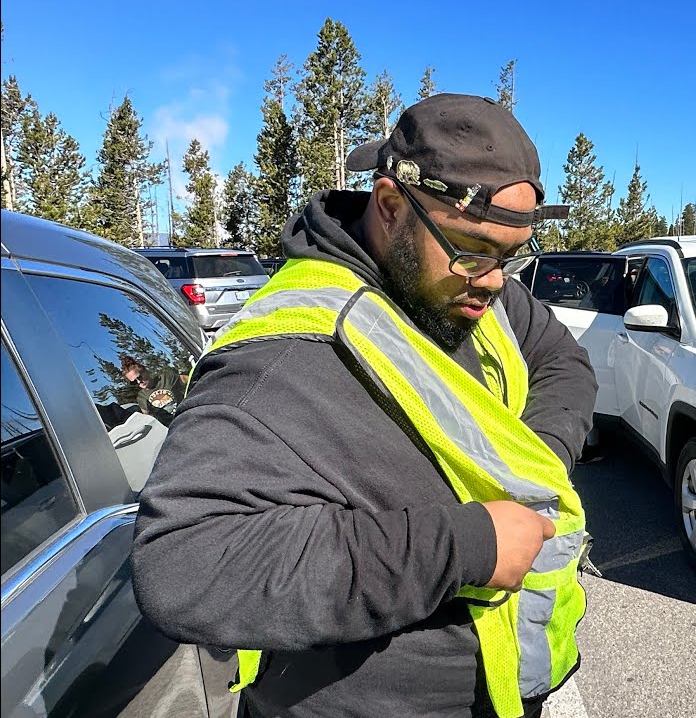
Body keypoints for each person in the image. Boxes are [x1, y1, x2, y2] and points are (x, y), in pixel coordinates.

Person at [132, 94, 598, 718]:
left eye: (509, 259)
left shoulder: (477, 290)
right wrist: (465, 545)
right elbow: (183, 563)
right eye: (471, 250)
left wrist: (532, 465)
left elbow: (563, 362)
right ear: (388, 205)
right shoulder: (287, 354)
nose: (491, 280)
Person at [121, 355, 186, 417]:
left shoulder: (166, 378)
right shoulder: (141, 397)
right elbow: (150, 418)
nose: (139, 382)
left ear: (146, 371)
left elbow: (191, 380)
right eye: (134, 382)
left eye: (139, 377)